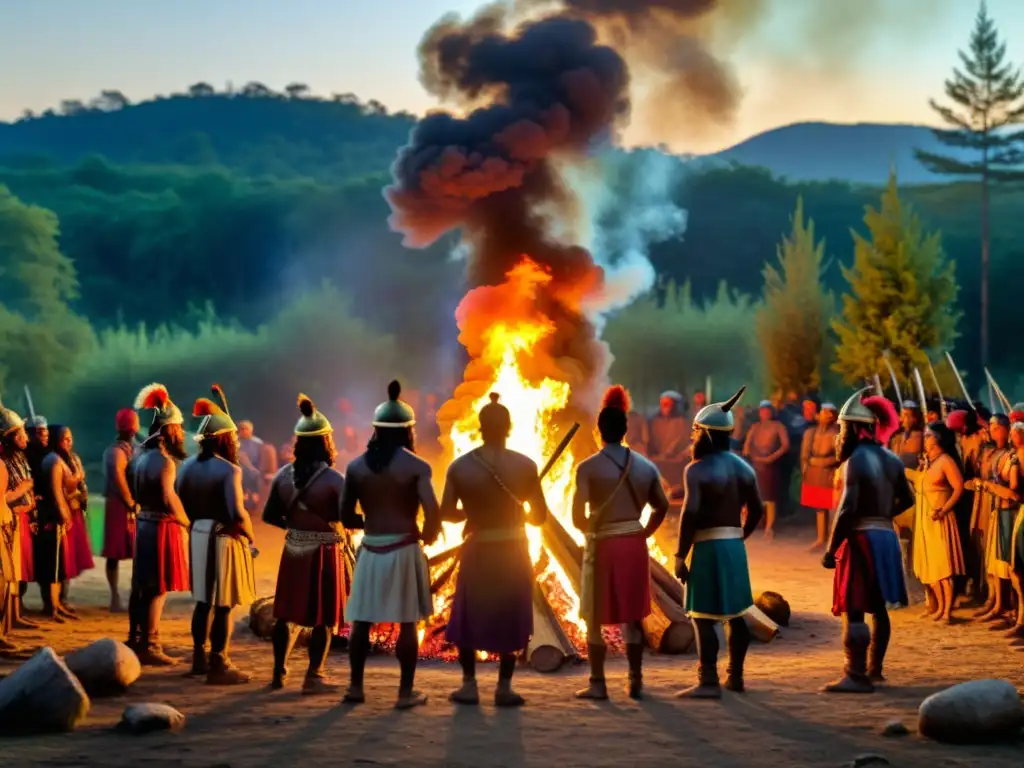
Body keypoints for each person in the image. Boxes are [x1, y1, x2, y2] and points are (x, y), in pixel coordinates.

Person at [441, 393, 548, 707]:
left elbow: (446, 511)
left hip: (479, 548)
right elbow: (540, 516)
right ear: (509, 428)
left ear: (480, 428)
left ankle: (469, 685)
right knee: (509, 615)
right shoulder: (526, 466)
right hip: (513, 550)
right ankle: (504, 688)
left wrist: (472, 515)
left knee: (469, 615)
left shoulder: (460, 467)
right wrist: (521, 513)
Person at [341, 380, 441, 709]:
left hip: (370, 548)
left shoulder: (355, 468)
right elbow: (433, 513)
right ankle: (404, 693)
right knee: (407, 620)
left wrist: (369, 525)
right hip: (404, 547)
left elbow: (345, 515)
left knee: (361, 621)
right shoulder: (417, 467)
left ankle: (356, 688)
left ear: (376, 430)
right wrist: (426, 535)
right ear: (408, 431)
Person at [572, 385, 670, 700]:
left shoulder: (587, 468)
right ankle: (635, 681)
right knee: (633, 613)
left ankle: (598, 684)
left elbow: (576, 518)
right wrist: (644, 533)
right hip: (633, 543)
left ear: (598, 431)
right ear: (626, 429)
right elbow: (662, 506)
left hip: (602, 544)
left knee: (593, 616)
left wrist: (597, 528)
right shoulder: (646, 467)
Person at [821, 389, 911, 694]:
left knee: (855, 607)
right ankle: (875, 670)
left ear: (857, 428)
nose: (838, 434)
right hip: (885, 536)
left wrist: (831, 548)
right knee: (878, 607)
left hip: (861, 538)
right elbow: (908, 499)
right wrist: (883, 514)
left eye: (842, 427)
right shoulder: (892, 459)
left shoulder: (855, 461)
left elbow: (847, 508)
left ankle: (855, 674)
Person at [674, 386, 759, 699]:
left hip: (708, 548)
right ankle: (735, 678)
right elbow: (758, 509)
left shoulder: (696, 470)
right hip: (734, 546)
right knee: (736, 614)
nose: (693, 437)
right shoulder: (744, 467)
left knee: (702, 615)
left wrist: (680, 555)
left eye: (696, 432)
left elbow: (691, 512)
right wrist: (741, 536)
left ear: (706, 434)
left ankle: (708, 681)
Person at [263, 395, 349, 694]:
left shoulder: (283, 476)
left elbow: (270, 515)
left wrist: (297, 527)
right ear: (326, 441)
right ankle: (314, 676)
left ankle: (278, 673)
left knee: (285, 615)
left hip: (293, 550)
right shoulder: (335, 480)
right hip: (325, 552)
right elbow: (346, 519)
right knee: (324, 618)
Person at [176, 385, 257, 685]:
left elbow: (179, 499)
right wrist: (249, 533)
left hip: (198, 532)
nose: (237, 440)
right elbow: (236, 512)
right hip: (223, 536)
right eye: (234, 437)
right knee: (223, 604)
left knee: (203, 601)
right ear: (224, 438)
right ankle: (219, 663)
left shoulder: (186, 466)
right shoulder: (229, 471)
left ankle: (199, 656)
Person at [130, 384, 192, 665]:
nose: (181, 432)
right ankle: (151, 645)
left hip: (144, 524)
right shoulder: (164, 462)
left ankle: (139, 638)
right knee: (157, 589)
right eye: (178, 427)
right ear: (168, 430)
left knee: (144, 587)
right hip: (159, 529)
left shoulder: (142, 458)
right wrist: (187, 521)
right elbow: (169, 497)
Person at [911, 423, 966, 623]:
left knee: (943, 566)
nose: (925, 439)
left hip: (941, 519)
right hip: (926, 521)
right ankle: (939, 607)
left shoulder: (946, 461)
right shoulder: (929, 462)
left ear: (938, 438)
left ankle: (947, 611)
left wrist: (944, 509)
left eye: (928, 436)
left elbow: (959, 488)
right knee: (931, 566)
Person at [972, 413, 1019, 624]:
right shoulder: (993, 452)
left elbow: (1013, 491)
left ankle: (1010, 608)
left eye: (993, 426)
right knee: (995, 560)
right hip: (996, 509)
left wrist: (989, 486)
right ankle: (997, 602)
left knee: (1010, 563)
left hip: (1009, 510)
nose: (990, 430)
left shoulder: (1012, 455)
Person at [33, 425, 78, 622]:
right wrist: (64, 512)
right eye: (65, 439)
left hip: (55, 513)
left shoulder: (57, 458)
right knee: (52, 562)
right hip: (51, 514)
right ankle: (51, 606)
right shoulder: (52, 459)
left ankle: (57, 604)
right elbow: (56, 491)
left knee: (57, 562)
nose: (69, 442)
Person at [101, 408, 140, 613]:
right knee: (115, 553)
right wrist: (130, 502)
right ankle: (115, 596)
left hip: (130, 504)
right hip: (119, 505)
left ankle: (134, 593)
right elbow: (118, 478)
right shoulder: (116, 451)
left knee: (138, 553)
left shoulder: (132, 448)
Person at [742, 400, 789, 540]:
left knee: (769, 497)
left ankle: (769, 526)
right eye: (762, 410)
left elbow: (785, 445)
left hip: (770, 465)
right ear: (759, 413)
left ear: (772, 412)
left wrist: (771, 458)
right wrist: (749, 455)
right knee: (751, 495)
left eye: (767, 410)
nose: (765, 413)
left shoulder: (778, 426)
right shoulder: (755, 427)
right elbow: (746, 445)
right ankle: (748, 523)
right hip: (755, 464)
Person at [801, 403, 840, 551]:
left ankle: (832, 540)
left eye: (829, 413)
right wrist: (807, 468)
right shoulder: (811, 433)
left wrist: (821, 462)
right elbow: (805, 455)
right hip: (814, 473)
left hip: (830, 473)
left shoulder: (837, 434)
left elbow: (840, 456)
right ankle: (820, 539)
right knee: (819, 507)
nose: (826, 416)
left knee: (832, 508)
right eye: (824, 412)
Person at [647, 391, 689, 481]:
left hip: (676, 464)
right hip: (658, 462)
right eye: (663, 404)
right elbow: (651, 440)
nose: (664, 407)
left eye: (667, 404)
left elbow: (681, 441)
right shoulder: (655, 422)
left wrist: (668, 454)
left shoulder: (681, 422)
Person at [891, 401, 925, 470]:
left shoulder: (920, 437)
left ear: (915, 419)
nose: (901, 419)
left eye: (906, 415)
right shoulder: (898, 437)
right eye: (901, 415)